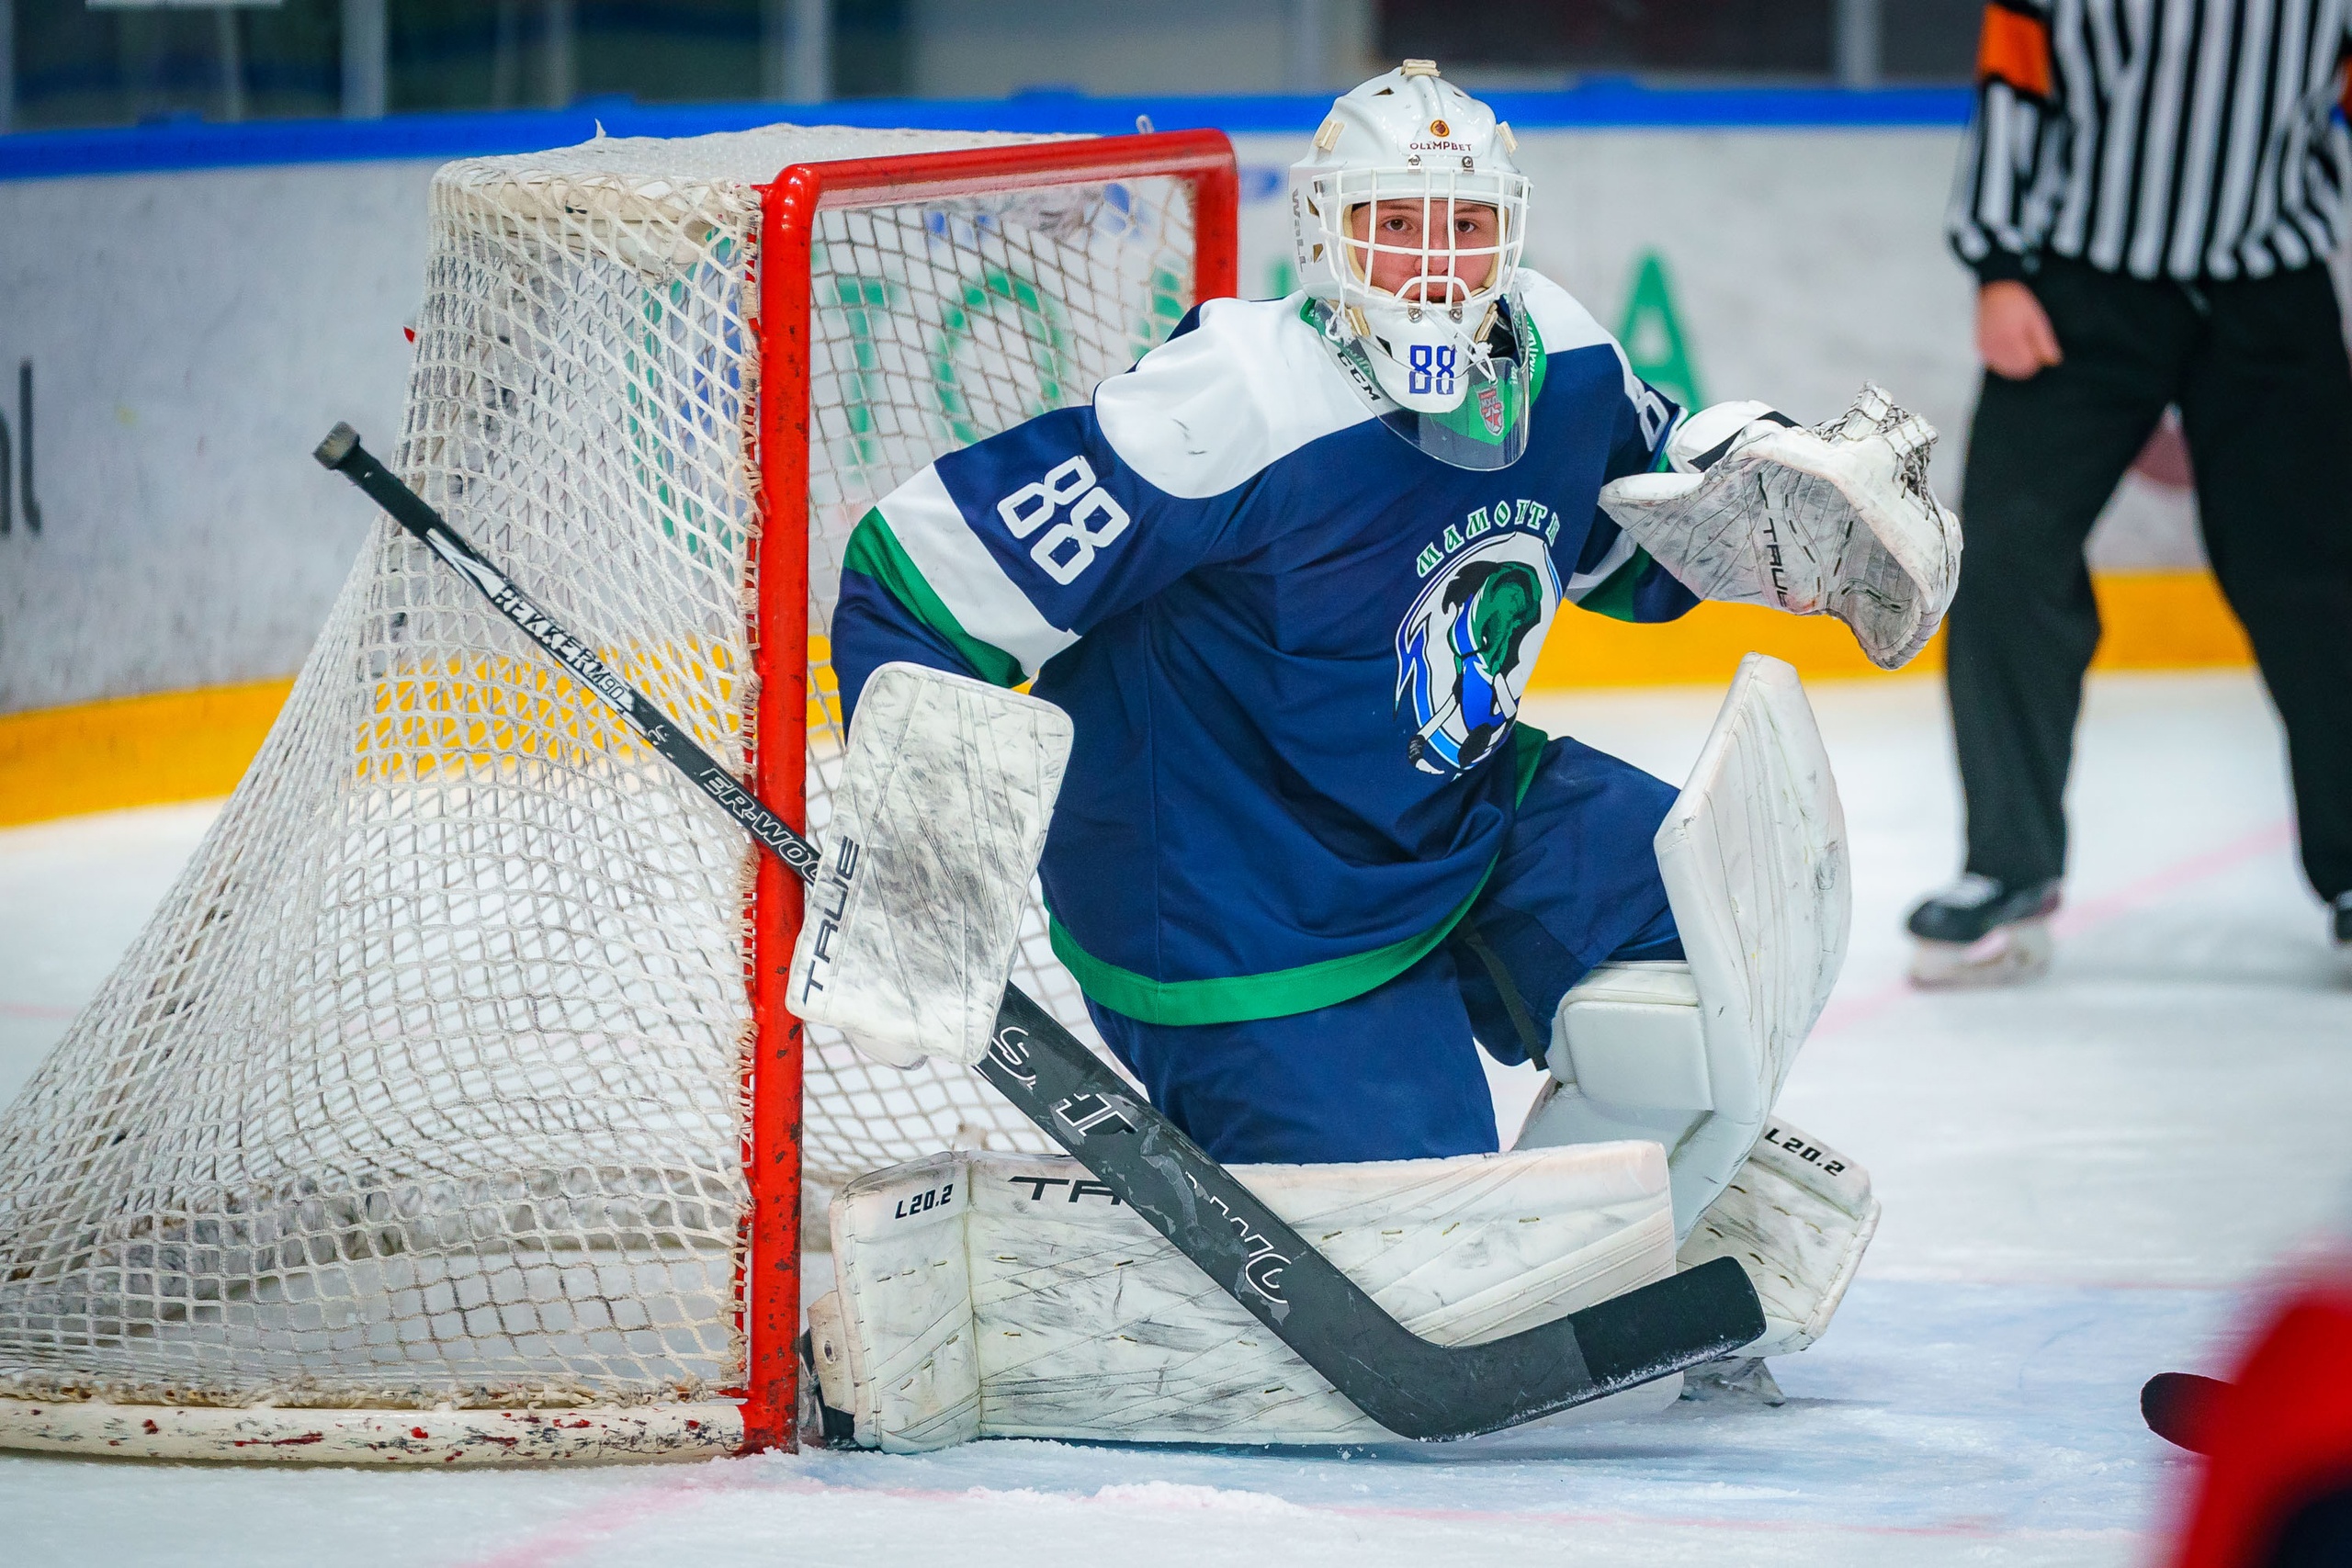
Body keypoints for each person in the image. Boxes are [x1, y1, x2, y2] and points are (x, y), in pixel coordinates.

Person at [820, 62, 1955, 1168]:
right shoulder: (1235, 401)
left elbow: (1628, 544)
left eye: (1466, 225)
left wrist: (1765, 523)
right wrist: (918, 875)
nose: (1436, 265)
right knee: (1420, 1229)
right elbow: (921, 576)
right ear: (1324, 233)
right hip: (1237, 899)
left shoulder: (1563, 356)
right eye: (1394, 223)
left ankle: (1613, 1211)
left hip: (1444, 812)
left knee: (1732, 900)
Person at [1916, 0, 2352, 985]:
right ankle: (2007, 867)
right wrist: (1997, 269)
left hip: (2272, 292)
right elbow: (2014, 83)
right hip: (2079, 285)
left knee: (2318, 584)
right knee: (2006, 560)